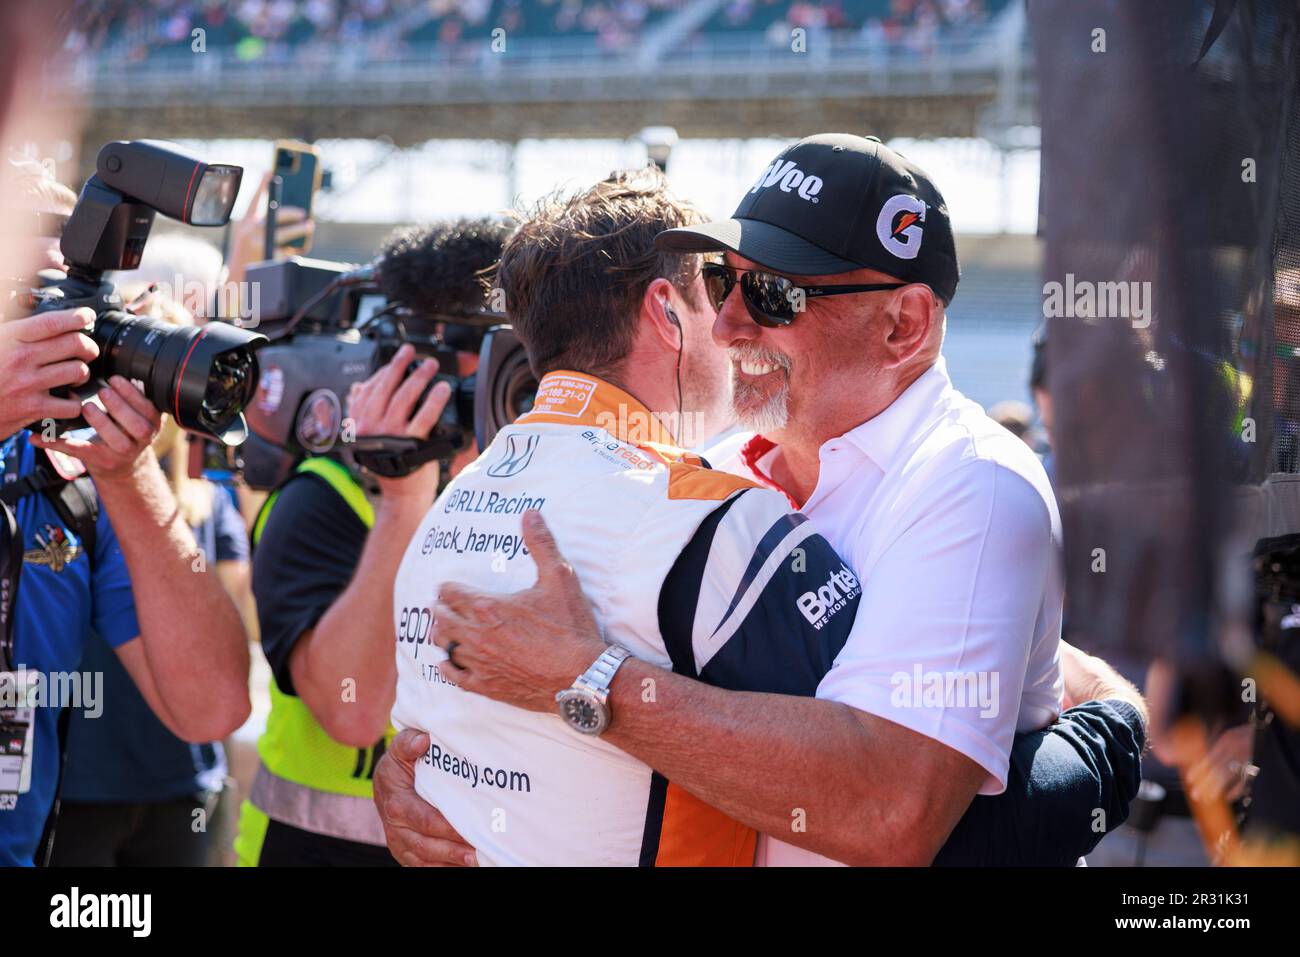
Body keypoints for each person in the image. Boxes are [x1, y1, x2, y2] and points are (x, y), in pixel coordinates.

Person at [381, 150, 1145, 865]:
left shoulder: (972, 487)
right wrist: (424, 776)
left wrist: (588, 681)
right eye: (722, 282)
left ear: (904, 324)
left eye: (775, 294)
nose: (726, 324)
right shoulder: (707, 473)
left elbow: (890, 809)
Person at [233, 219, 507, 866]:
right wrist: (404, 497)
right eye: (487, 352)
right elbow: (353, 711)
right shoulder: (321, 496)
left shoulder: (518, 495)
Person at [0, 160, 251, 867]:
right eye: (31, 301)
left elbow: (211, 706)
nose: (59, 334)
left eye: (78, 306)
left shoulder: (71, 482)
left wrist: (131, 474)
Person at [49, 286, 252, 867]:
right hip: (80, 781)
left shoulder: (198, 501)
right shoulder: (62, 481)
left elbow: (225, 670)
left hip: (175, 774)